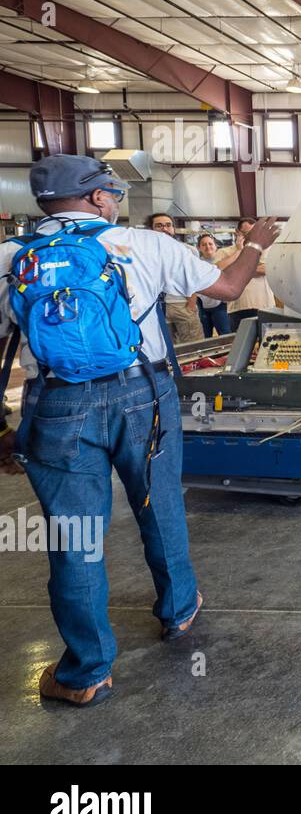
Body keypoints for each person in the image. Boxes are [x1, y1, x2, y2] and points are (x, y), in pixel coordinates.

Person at [0, 155, 281, 707]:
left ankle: (85, 674)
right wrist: (256, 244)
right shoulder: (144, 246)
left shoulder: (11, 256)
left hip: (56, 403)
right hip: (142, 395)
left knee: (73, 536)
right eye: (111, 192)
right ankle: (177, 611)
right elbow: (226, 288)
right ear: (99, 199)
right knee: (159, 504)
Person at [146, 212, 204, 346]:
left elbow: (195, 278)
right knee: (164, 349)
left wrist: (190, 305)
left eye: (168, 225)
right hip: (157, 307)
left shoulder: (188, 250)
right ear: (151, 229)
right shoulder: (144, 252)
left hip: (182, 304)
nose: (164, 229)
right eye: (159, 226)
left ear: (173, 228)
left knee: (193, 347)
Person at [217, 217, 278, 326]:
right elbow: (219, 270)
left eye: (254, 233)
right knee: (240, 341)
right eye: (247, 234)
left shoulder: (265, 249)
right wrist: (239, 251)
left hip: (264, 305)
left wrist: (236, 268)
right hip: (237, 308)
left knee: (266, 341)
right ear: (237, 233)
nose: (251, 237)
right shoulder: (225, 252)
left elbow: (267, 269)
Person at [195, 234, 232, 336]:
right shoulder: (196, 263)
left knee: (225, 334)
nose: (208, 247)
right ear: (199, 248)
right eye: (204, 244)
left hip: (220, 304)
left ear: (216, 246)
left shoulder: (224, 259)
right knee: (206, 336)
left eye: (210, 244)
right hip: (202, 304)